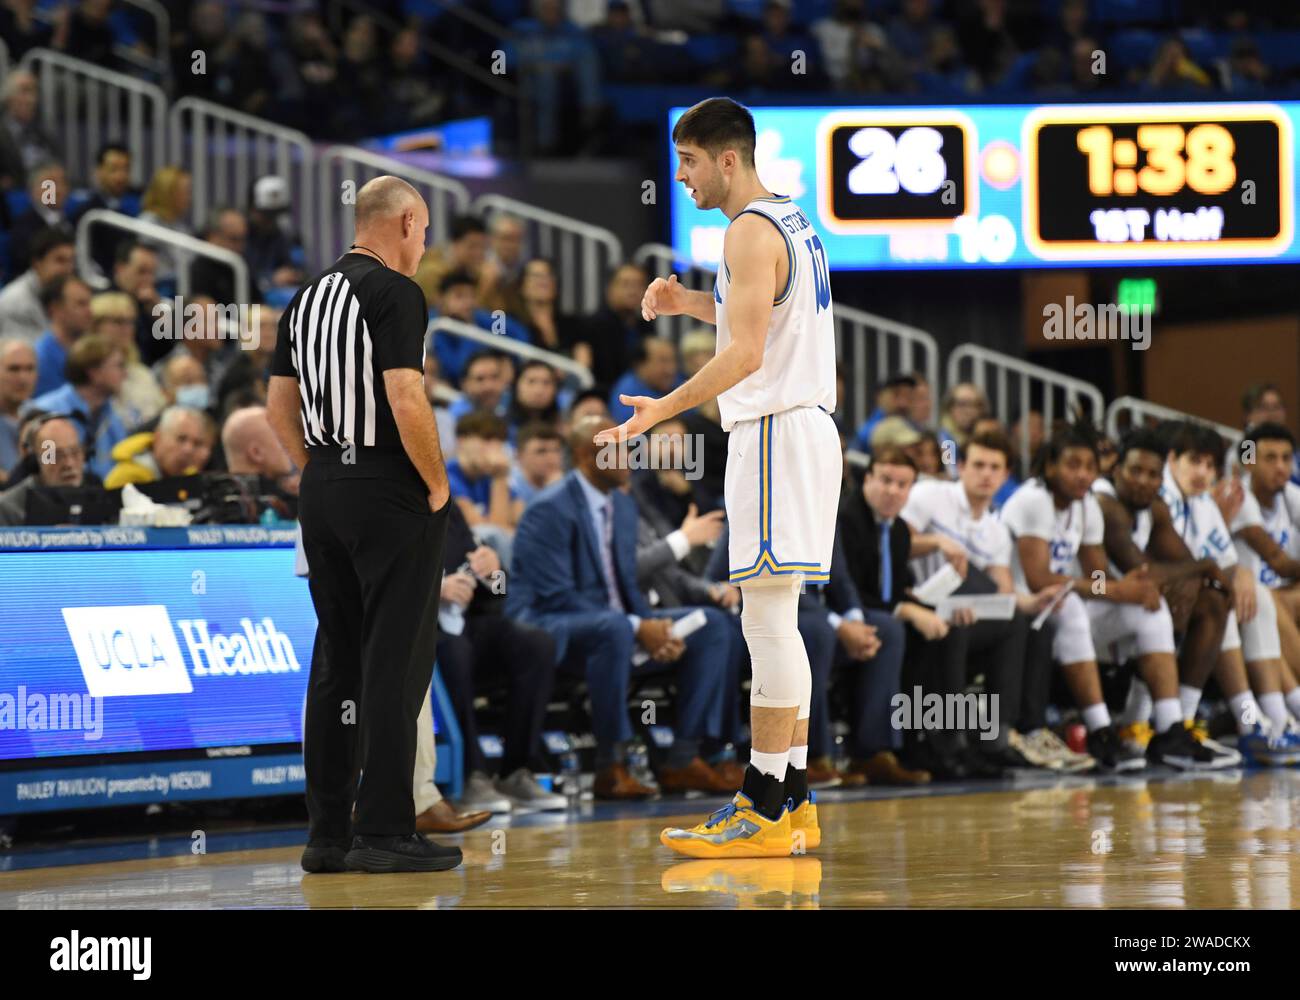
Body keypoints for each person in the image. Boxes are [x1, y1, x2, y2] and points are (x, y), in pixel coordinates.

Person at [599, 97, 840, 858]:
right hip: (807, 431)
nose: (682, 178)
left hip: (771, 432)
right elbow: (761, 318)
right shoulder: (793, 219)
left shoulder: (744, 230)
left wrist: (657, 412)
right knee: (780, 618)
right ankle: (793, 798)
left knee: (765, 620)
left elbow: (746, 355)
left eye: (690, 162)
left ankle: (762, 803)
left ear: (727, 159)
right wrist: (691, 302)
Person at [267, 175, 461, 875]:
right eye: (427, 230)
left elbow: (276, 399)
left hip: (323, 487)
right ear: (407, 221)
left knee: (336, 660)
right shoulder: (396, 293)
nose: (426, 244)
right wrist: (436, 484)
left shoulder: (306, 297)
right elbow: (405, 391)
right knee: (395, 658)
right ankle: (384, 827)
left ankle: (326, 835)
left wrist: (316, 468)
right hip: (387, 485)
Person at [508, 415, 736, 799]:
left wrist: (651, 627)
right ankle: (608, 766)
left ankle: (685, 757)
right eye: (618, 447)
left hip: (614, 622)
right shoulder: (550, 508)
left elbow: (627, 582)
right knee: (613, 630)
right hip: (550, 625)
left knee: (713, 626)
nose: (631, 454)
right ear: (584, 455)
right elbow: (556, 596)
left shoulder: (624, 505)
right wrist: (635, 626)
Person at [999, 422, 1207, 771]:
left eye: (1089, 467)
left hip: (1060, 606)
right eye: (1072, 465)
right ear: (1051, 466)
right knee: (1071, 607)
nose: (1082, 475)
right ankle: (1100, 731)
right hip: (1021, 608)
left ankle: (1170, 728)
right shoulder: (1033, 500)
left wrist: (1131, 589)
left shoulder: (1085, 505)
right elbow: (1039, 579)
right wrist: (1114, 589)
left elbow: (1096, 573)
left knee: (1149, 611)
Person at [1092, 428, 1240, 768]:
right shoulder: (1105, 504)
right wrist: (1204, 565)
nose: (1143, 481)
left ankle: (1178, 725)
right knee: (1163, 597)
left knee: (1210, 600)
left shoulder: (1154, 508)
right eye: (1135, 471)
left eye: (1152, 474)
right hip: (1087, 597)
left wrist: (1205, 573)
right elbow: (1145, 571)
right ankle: (1134, 724)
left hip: (1122, 603)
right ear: (1116, 471)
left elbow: (1182, 562)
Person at [1159, 420, 1300, 764]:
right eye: (1270, 458)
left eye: (1209, 465)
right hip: (1147, 599)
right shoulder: (1234, 494)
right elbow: (1277, 561)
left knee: (1236, 599)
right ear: (1172, 459)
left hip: (1227, 600)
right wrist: (1233, 574)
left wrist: (1236, 574)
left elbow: (1226, 565)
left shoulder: (1207, 503)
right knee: (1229, 599)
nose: (1281, 467)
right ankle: (1267, 715)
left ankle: (1268, 719)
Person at [103, 404, 213, 487]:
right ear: (158, 437)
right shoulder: (126, 479)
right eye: (181, 439)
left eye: (197, 444)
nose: (188, 450)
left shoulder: (190, 476)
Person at [0, 227, 75, 343]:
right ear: (37, 263)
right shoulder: (15, 302)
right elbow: (24, 355)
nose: (68, 269)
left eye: (71, 261)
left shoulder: (68, 293)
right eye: (60, 261)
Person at [32, 275, 93, 397]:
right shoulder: (41, 359)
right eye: (81, 304)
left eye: (89, 303)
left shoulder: (91, 350)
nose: (90, 311)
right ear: (55, 309)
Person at [0, 339, 38, 481]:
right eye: (13, 369)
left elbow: (51, 463)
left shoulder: (44, 418)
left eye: (30, 369)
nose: (23, 378)